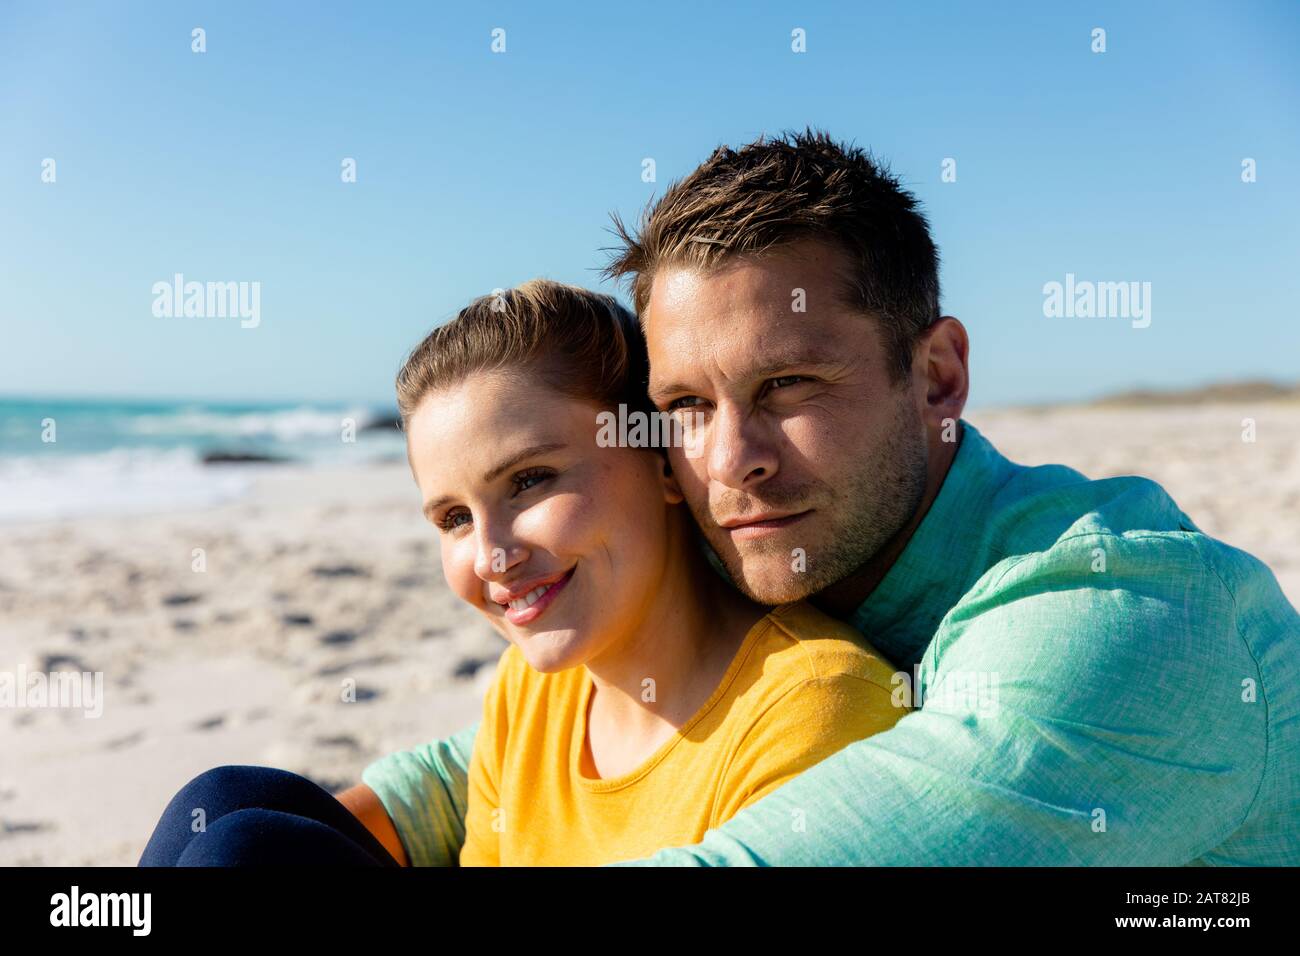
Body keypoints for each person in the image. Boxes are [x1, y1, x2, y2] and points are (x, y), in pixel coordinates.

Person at [346, 129, 1300, 866]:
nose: (731, 462)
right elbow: (494, 766)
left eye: (789, 386)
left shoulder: (1113, 621)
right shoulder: (792, 553)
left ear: (935, 377)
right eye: (683, 405)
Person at [140, 278, 906, 866]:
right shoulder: (536, 688)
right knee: (225, 802)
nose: (492, 556)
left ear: (666, 460)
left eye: (531, 481)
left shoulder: (811, 712)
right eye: (453, 518)